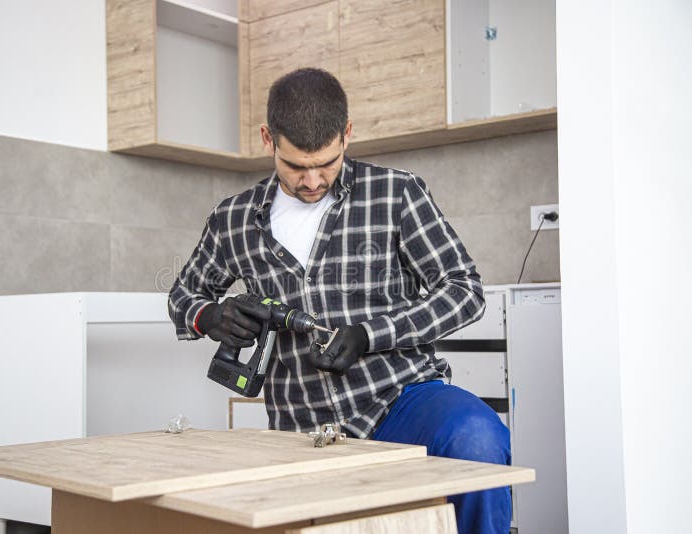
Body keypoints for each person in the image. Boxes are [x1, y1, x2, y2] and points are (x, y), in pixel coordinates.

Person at [168, 68, 511, 534]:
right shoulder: (232, 219)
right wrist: (209, 315)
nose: (312, 180)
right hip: (301, 429)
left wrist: (369, 335)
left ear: (347, 134)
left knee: (477, 438)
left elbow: (463, 291)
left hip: (402, 400)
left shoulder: (396, 194)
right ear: (269, 139)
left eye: (326, 163)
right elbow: (184, 294)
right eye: (295, 167)